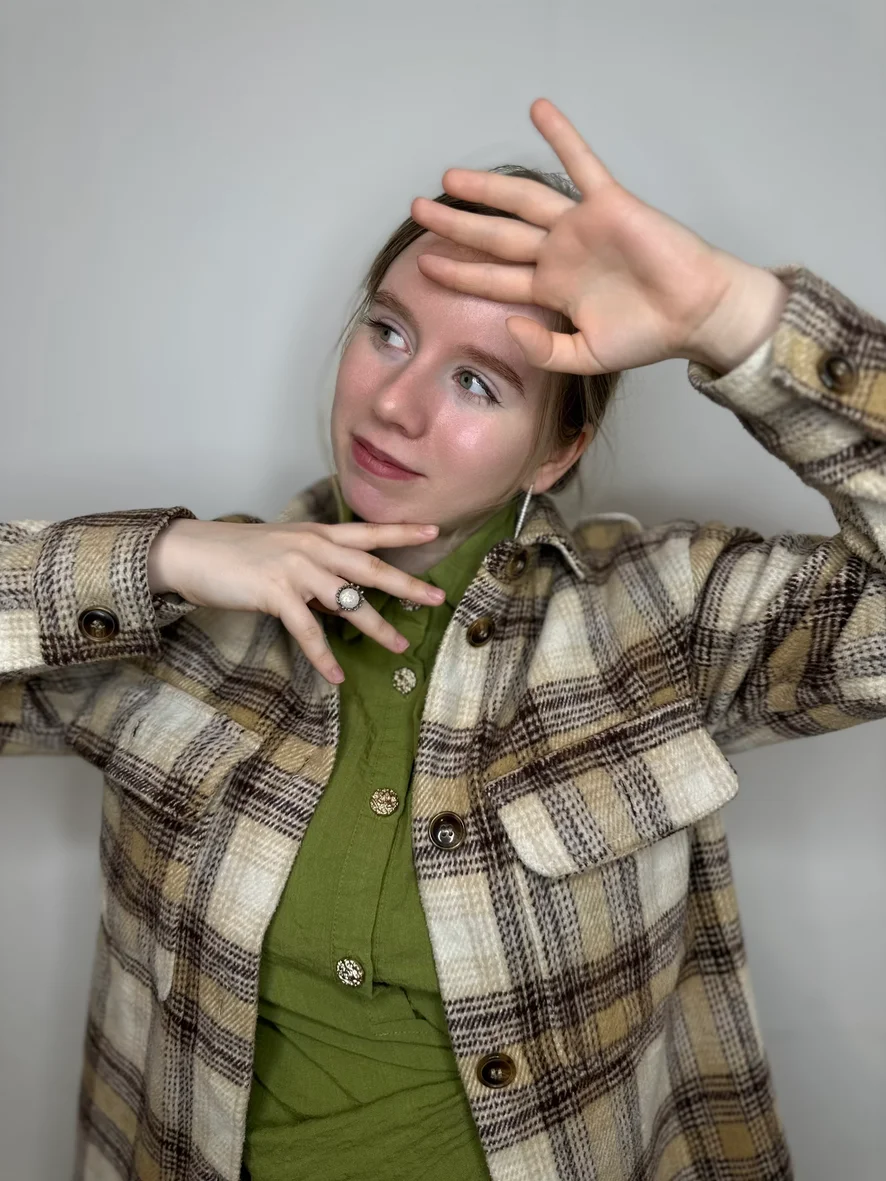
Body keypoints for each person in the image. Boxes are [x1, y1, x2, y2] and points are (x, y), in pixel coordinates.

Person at [1, 97, 883, 1181]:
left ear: (556, 452)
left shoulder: (659, 618)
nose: (396, 406)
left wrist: (732, 315)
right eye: (389, 332)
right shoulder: (181, 615)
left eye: (478, 381)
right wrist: (167, 558)